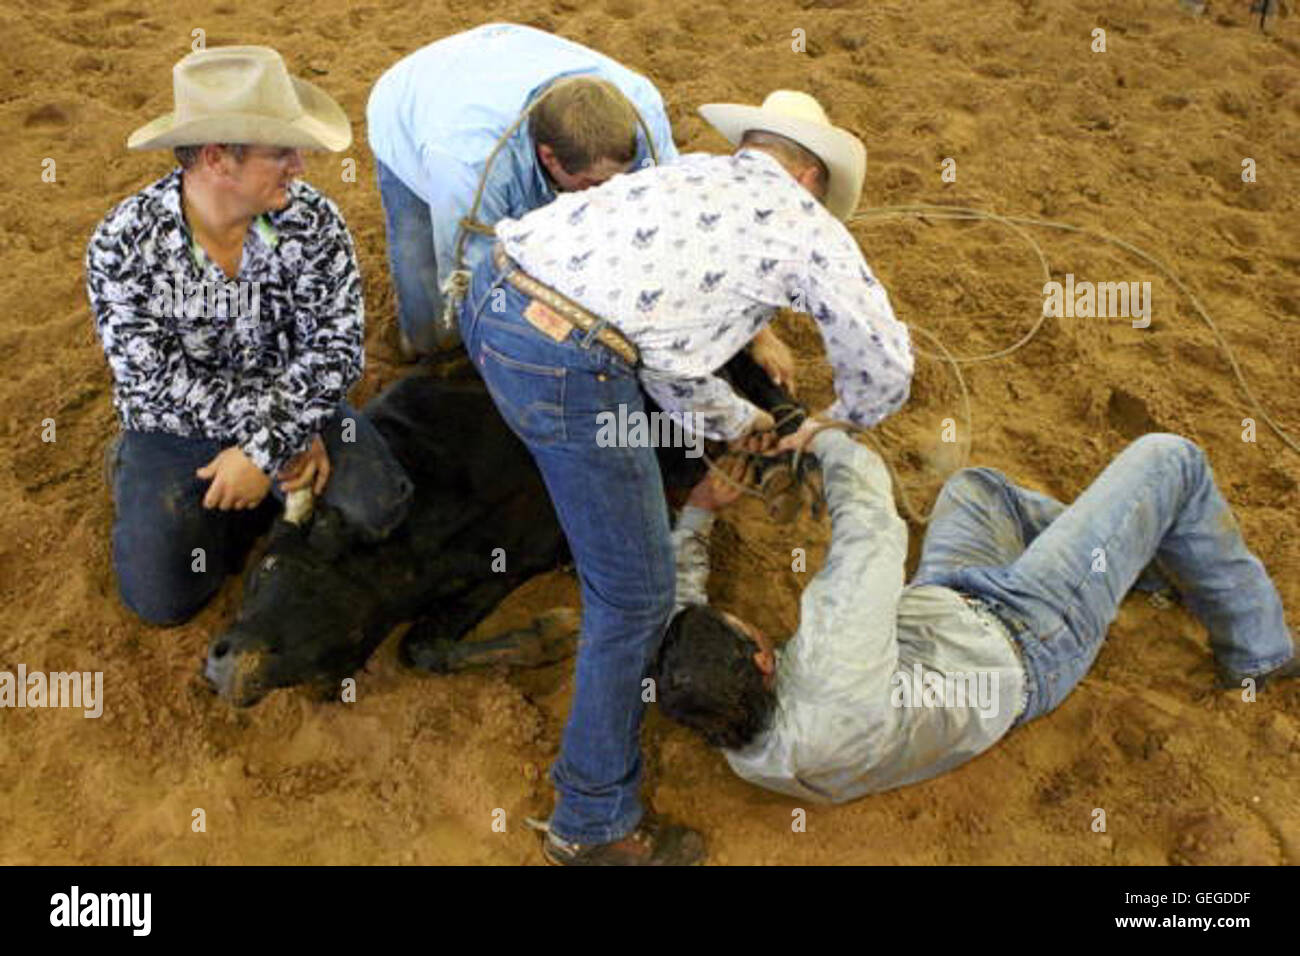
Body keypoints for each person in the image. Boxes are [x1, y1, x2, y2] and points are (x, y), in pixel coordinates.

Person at [457, 90, 913, 864]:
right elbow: (886, 371)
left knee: (601, 446)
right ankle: (590, 823)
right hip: (567, 363)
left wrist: (740, 422)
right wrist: (831, 423)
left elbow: (660, 350)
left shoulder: (684, 174)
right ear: (811, 179)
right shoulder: (807, 227)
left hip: (492, 299)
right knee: (634, 596)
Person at [656, 420, 1298, 802]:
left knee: (977, 491)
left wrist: (701, 512)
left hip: (947, 623)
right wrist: (829, 442)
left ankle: (1148, 560)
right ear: (764, 660)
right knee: (1170, 458)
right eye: (745, 630)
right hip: (1031, 634)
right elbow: (873, 530)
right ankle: (1260, 652)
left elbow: (684, 638)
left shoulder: (729, 729)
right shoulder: (831, 659)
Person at [87, 46, 413, 626]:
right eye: (281, 153)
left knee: (379, 510)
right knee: (165, 601)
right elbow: (157, 384)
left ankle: (247, 492)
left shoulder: (314, 220)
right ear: (217, 159)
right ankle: (144, 469)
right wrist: (276, 444)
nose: (300, 166)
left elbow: (337, 350)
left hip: (295, 404)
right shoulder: (121, 242)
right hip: (177, 427)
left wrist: (269, 444)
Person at [366, 22, 679, 356]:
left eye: (620, 179)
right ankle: (427, 345)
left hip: (509, 59)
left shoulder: (643, 114)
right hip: (411, 108)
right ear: (549, 157)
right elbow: (471, 273)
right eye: (593, 184)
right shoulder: (468, 163)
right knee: (418, 251)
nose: (606, 195)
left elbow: (670, 208)